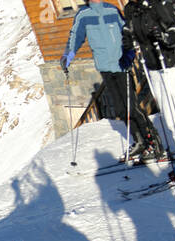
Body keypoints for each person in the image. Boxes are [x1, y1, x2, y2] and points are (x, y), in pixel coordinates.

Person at [63, 0, 164, 161]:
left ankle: (154, 143)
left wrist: (129, 55)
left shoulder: (112, 10)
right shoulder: (83, 15)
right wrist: (68, 55)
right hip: (105, 67)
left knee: (133, 107)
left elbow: (127, 33)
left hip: (121, 65)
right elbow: (76, 36)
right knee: (121, 109)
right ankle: (139, 141)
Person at [123, 0, 175, 161]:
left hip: (167, 62)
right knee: (166, 114)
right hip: (151, 65)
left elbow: (174, 29)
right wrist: (127, 40)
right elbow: (128, 29)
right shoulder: (131, 8)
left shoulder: (159, 4)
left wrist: (165, 37)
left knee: (171, 112)